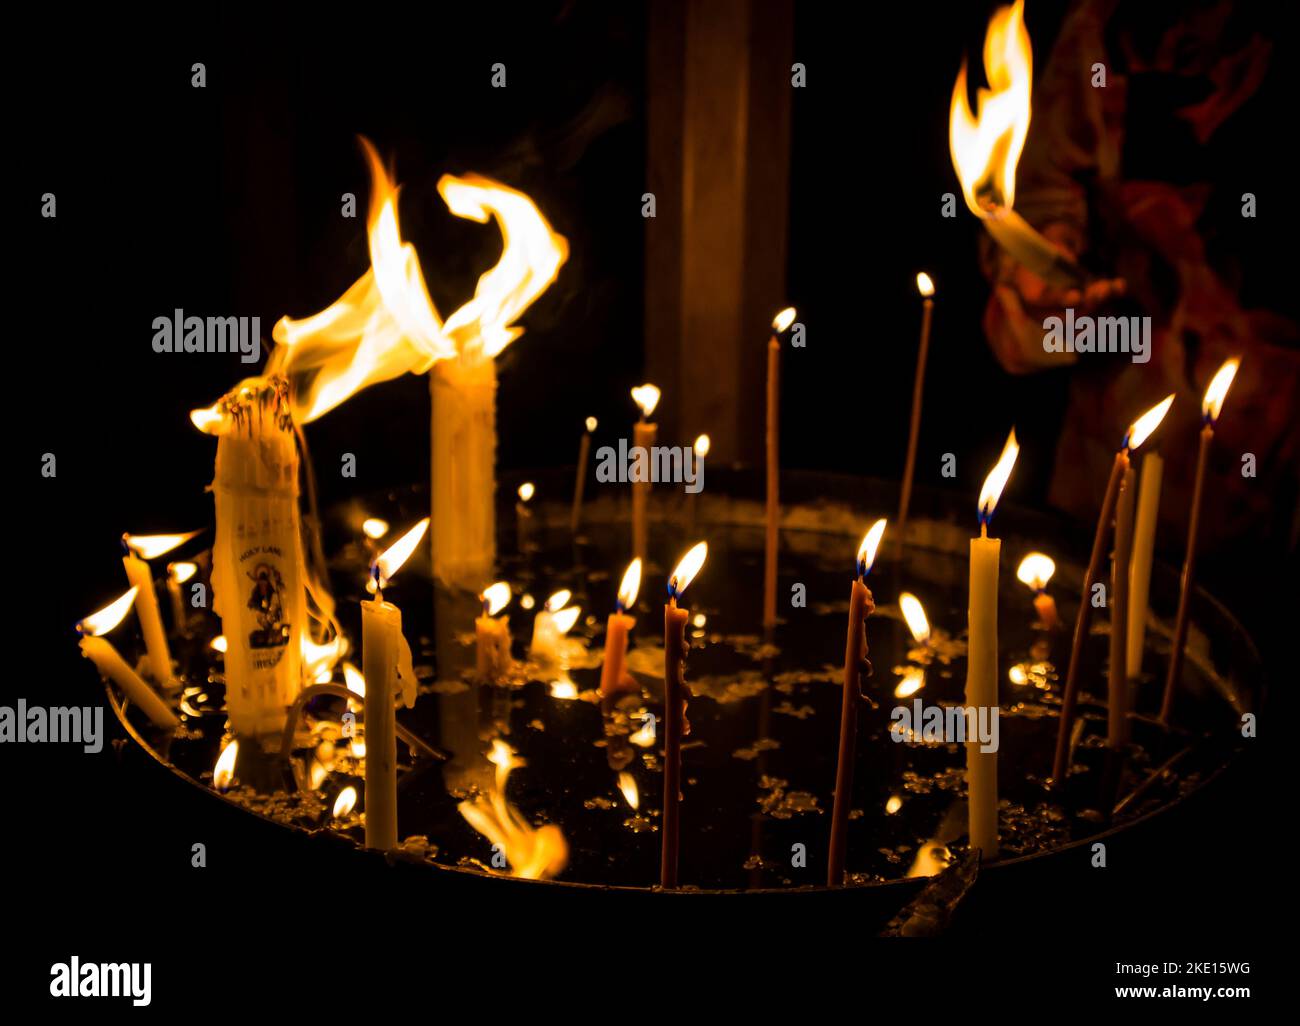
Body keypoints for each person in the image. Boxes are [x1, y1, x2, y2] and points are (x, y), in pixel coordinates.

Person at [981, 0, 1298, 564]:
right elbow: (1046, 192)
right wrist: (1047, 272)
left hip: (1270, 495)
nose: (1166, 45)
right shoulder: (1095, 33)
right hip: (1106, 471)